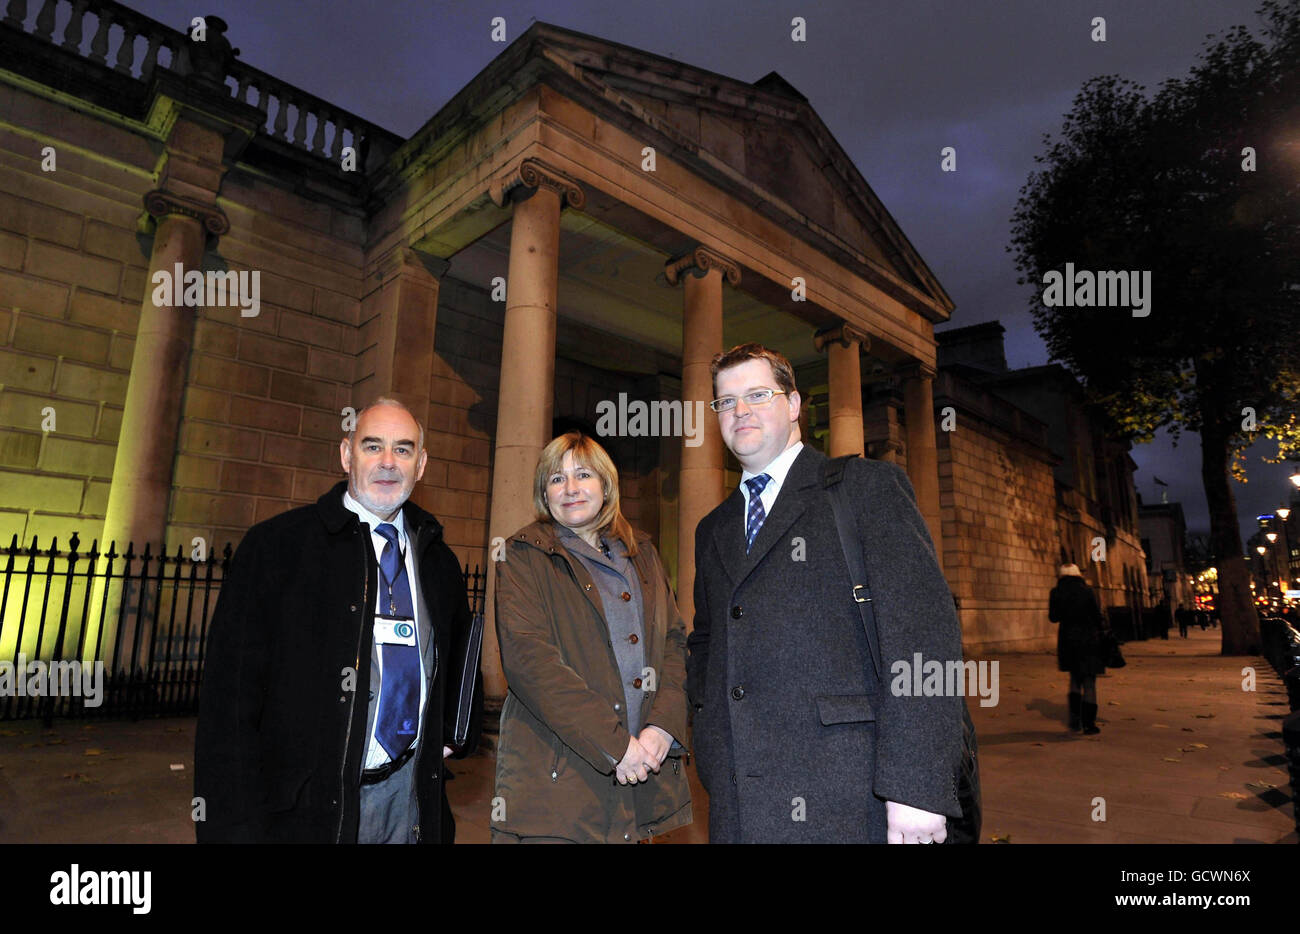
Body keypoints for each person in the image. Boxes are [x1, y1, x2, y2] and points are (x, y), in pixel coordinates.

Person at [686, 343, 965, 844]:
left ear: (793, 405)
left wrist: (916, 785)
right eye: (725, 402)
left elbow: (923, 636)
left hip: (850, 791)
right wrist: (707, 737)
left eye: (756, 394)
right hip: (737, 795)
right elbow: (706, 642)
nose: (739, 411)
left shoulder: (864, 488)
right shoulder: (713, 528)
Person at [195, 397, 483, 843]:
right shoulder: (277, 548)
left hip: (410, 801)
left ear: (421, 464)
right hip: (309, 812)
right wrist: (230, 828)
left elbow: (461, 656)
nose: (388, 462)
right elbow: (228, 705)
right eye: (373, 447)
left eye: (403, 450)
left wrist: (452, 735)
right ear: (346, 454)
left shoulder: (437, 559)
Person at [492, 432, 692, 843]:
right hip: (560, 781)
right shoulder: (523, 556)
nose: (570, 489)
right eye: (556, 479)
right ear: (544, 493)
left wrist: (663, 727)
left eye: (582, 475)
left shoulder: (643, 553)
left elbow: (673, 641)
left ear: (606, 485)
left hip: (641, 773)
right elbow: (532, 664)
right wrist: (617, 746)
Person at [1049, 564, 1108, 735]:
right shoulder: (1087, 591)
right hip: (1089, 640)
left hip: (1068, 640)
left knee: (1074, 679)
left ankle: (1075, 721)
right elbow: (1097, 616)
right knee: (1089, 682)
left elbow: (1053, 617)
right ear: (1077, 574)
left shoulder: (1056, 592)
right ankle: (1089, 724)